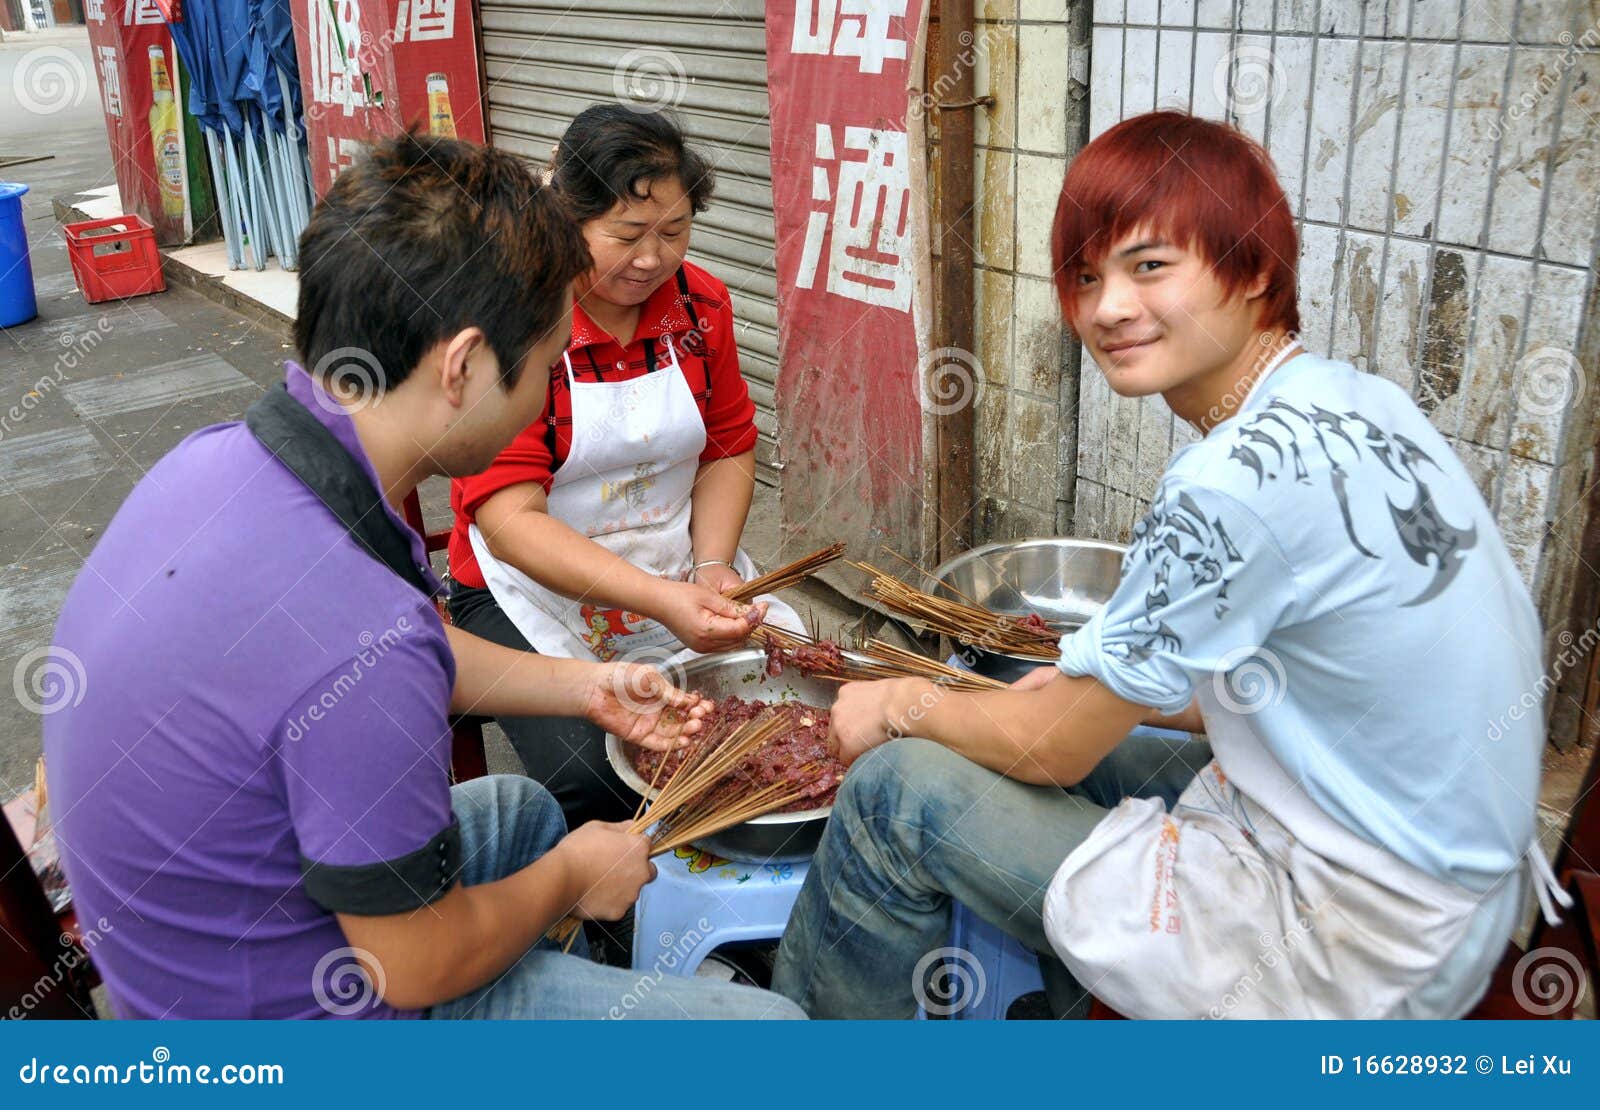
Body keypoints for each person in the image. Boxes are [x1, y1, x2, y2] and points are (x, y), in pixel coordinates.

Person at [771, 111, 1567, 1020]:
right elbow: (1294, 671)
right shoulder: (1355, 398)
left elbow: (1059, 745)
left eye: (1150, 266)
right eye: (1085, 275)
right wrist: (1081, 696)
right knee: (1063, 726)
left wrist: (903, 704)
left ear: (1255, 267)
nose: (1107, 308)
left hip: (1361, 939)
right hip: (1449, 891)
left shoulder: (1230, 483)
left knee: (893, 790)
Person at [43, 133, 803, 1021]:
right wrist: (571, 878)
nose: (549, 383)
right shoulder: (353, 623)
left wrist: (592, 686)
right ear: (463, 366)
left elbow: (392, 654)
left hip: (189, 937)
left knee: (520, 809)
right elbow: (413, 965)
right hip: (282, 1019)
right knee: (771, 1029)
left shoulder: (232, 461)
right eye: (547, 360)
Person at [448, 105, 800, 831]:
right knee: (593, 773)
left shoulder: (700, 305)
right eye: (627, 235)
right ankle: (613, 913)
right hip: (521, 588)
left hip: (674, 564)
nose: (652, 258)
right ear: (567, 220)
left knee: (790, 704)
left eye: (673, 232)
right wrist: (659, 601)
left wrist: (709, 567)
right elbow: (510, 523)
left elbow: (729, 444)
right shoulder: (521, 315)